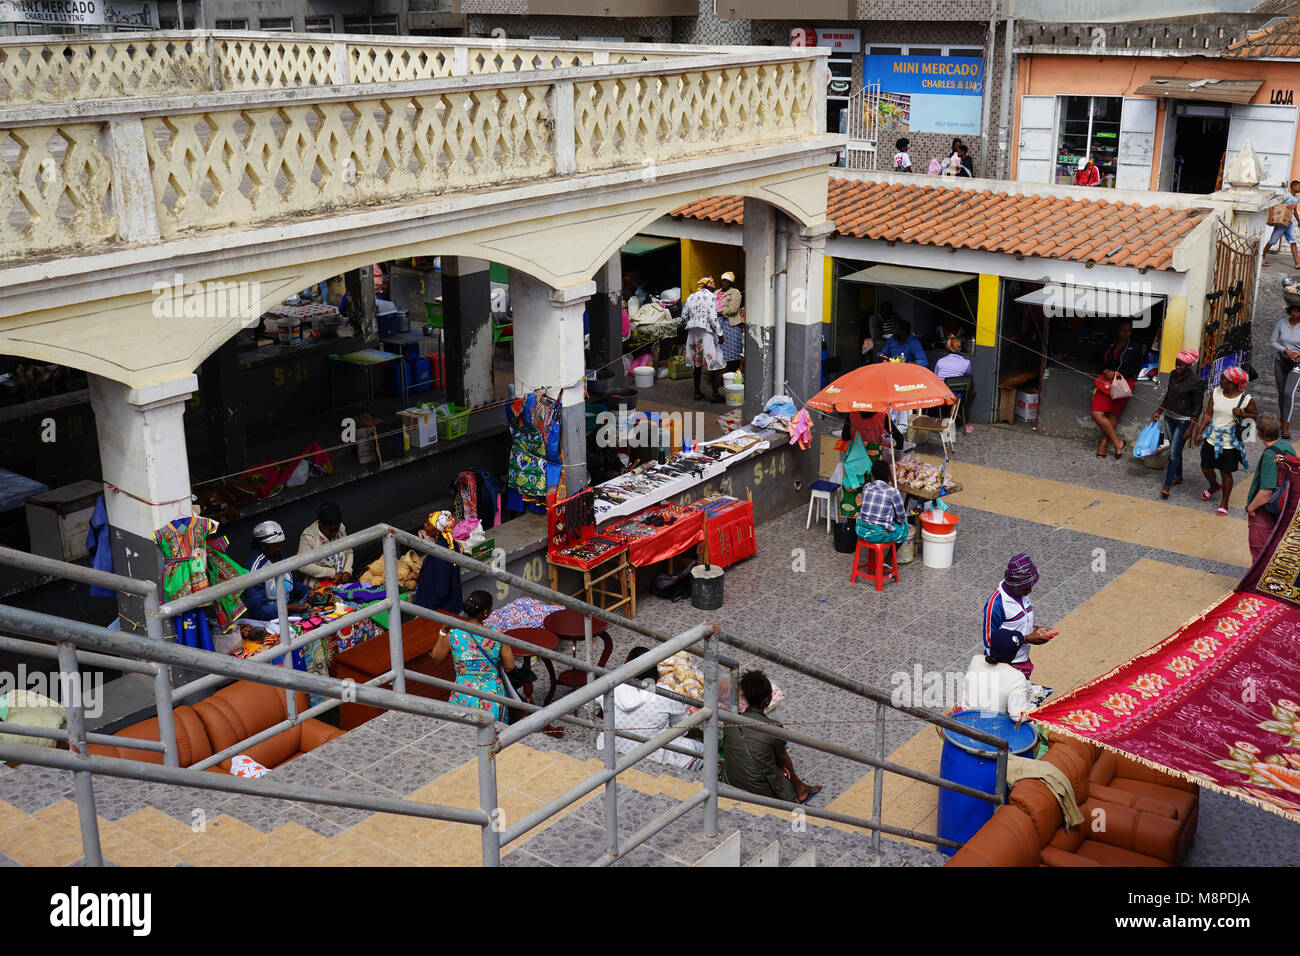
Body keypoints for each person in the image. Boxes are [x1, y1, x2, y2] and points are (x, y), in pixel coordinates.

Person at [595, 647, 704, 769]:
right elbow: (682, 729)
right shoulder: (664, 694)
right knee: (701, 749)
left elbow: (590, 705)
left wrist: (611, 716)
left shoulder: (611, 685)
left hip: (609, 748)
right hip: (652, 756)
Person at [721, 670, 819, 804]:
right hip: (760, 790)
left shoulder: (729, 721)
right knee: (783, 758)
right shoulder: (773, 727)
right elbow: (782, 760)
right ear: (767, 700)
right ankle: (800, 788)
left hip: (731, 781)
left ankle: (800, 787)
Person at [431, 590, 514, 722]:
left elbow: (436, 658)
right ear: (486, 613)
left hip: (463, 695)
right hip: (493, 695)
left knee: (464, 733)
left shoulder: (454, 636)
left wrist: (442, 632)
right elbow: (510, 666)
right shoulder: (497, 635)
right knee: (495, 734)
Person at [1194, 366, 1257, 517]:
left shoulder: (1246, 399)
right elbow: (1208, 414)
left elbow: (1255, 416)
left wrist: (1243, 414)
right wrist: (1200, 432)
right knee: (1205, 468)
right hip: (1211, 438)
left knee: (1225, 473)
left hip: (1230, 442)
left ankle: (1224, 503)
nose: (1219, 381)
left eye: (1223, 379)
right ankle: (1214, 486)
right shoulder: (1216, 392)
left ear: (1232, 384)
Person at [982, 554, 1056, 679]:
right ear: (1014, 586)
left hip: (1022, 660)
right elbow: (989, 640)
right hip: (1005, 666)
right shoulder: (995, 604)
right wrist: (1026, 639)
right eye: (1026, 588)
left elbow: (1018, 624)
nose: (1030, 591)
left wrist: (1035, 630)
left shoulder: (1022, 594)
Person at [1150, 349, 1206, 499]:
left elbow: (1197, 407)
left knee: (1173, 452)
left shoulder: (1197, 382)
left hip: (1184, 420)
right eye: (1177, 364)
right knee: (1176, 449)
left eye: (1181, 365)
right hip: (1169, 416)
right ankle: (1179, 476)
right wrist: (1158, 411)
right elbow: (1168, 395)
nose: (1177, 367)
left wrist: (1191, 428)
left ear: (1189, 366)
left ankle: (1167, 486)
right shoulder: (1173, 375)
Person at [1090, 319, 1144, 459]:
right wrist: (1105, 370)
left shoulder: (1135, 347)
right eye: (1122, 330)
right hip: (1105, 382)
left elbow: (1135, 368)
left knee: (1112, 415)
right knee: (1096, 413)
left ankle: (1102, 446)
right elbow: (1095, 358)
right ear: (1117, 330)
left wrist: (1117, 374)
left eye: (1128, 331)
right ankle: (1118, 442)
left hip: (1123, 384)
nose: (1125, 333)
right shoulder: (1109, 342)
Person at [1245, 414, 1295, 561]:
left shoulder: (1269, 454)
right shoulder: (1287, 447)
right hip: (1284, 506)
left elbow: (1266, 491)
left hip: (1266, 510)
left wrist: (1251, 508)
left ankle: (1256, 583)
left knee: (1259, 552)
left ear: (1259, 433)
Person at [958, 629, 1034, 723]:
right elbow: (1017, 716)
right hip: (991, 727)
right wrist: (1033, 708)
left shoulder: (976, 660)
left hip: (965, 718)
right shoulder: (1017, 677)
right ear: (1014, 656)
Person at [242, 520, 310, 622]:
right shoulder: (254, 569)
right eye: (277, 546)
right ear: (263, 545)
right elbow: (257, 609)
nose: (281, 548)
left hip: (288, 616)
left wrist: (306, 591)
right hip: (265, 623)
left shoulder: (280, 558)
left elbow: (295, 585)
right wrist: (287, 608)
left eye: (281, 544)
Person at [683, 276, 725, 402]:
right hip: (706, 333)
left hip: (692, 333)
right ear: (710, 286)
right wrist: (720, 333)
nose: (714, 288)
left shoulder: (691, 296)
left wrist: (694, 320)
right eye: (714, 286)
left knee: (697, 363)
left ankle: (696, 392)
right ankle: (715, 394)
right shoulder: (711, 296)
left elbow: (684, 315)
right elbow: (713, 317)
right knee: (715, 363)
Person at [414, 510, 464, 615]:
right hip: (451, 606)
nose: (425, 527)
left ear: (437, 532)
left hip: (442, 611)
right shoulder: (450, 544)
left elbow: (442, 590)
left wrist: (428, 608)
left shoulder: (441, 554)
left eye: (429, 526)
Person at [296, 502, 353, 585]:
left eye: (336, 531)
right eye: (331, 531)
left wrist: (347, 571)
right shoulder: (308, 536)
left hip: (341, 583)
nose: (334, 534)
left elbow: (349, 551)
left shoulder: (340, 528)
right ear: (320, 524)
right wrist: (331, 573)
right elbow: (302, 565)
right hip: (318, 586)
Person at [855, 459, 909, 546]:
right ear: (888, 475)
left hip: (860, 530)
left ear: (872, 474)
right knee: (904, 528)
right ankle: (889, 558)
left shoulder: (866, 487)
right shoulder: (893, 491)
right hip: (877, 534)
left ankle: (885, 557)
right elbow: (901, 517)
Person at [1271, 304, 1300, 439]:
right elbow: (1273, 342)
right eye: (1294, 310)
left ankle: (1286, 426)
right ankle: (1282, 420)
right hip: (1281, 361)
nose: (1296, 313)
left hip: (1297, 363)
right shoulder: (1281, 323)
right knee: (1282, 393)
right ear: (1289, 311)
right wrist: (1285, 350)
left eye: (1298, 311)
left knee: (1289, 392)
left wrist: (1297, 354)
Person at [1262, 180, 1300, 268]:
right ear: (1293, 187)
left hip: (1289, 223)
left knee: (1293, 241)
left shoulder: (1296, 198)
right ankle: (1262, 257)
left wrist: (1298, 220)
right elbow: (1275, 205)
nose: (1299, 189)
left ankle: (1297, 263)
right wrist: (1271, 216)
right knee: (1273, 241)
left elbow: (1294, 210)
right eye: (1299, 187)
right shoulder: (1286, 196)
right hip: (1281, 224)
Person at [716, 271, 744, 372]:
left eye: (727, 282)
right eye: (723, 281)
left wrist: (719, 312)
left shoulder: (735, 293)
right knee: (719, 349)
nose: (725, 283)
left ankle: (732, 372)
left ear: (731, 283)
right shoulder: (716, 292)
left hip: (730, 324)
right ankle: (721, 374)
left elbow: (733, 309)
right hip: (718, 324)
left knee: (732, 350)